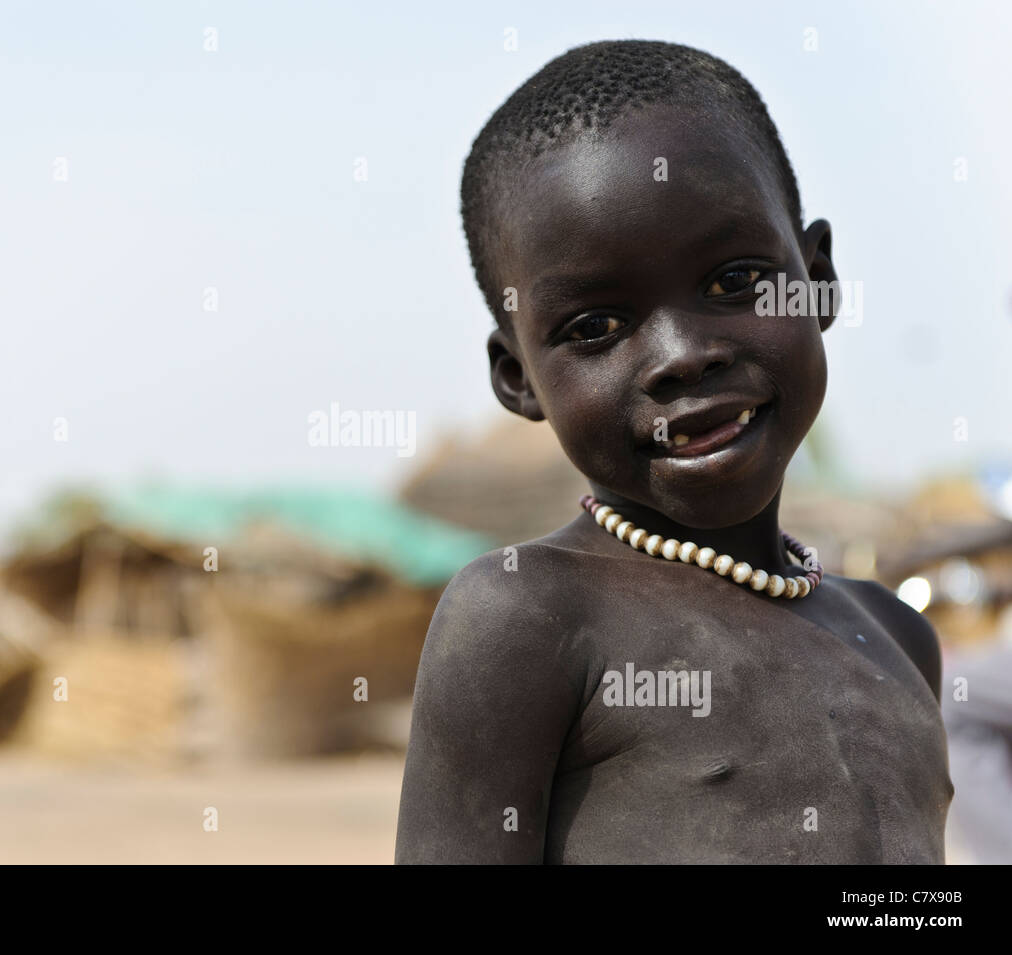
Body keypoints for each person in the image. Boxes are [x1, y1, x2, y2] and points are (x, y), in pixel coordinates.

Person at [395, 40, 951, 863]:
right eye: (594, 328)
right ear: (518, 378)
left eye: (734, 281)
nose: (684, 354)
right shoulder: (525, 617)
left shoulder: (900, 636)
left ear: (818, 278)